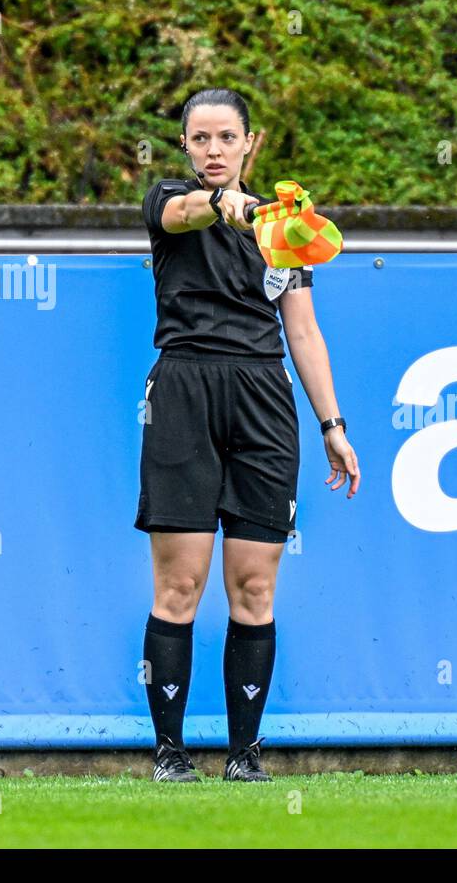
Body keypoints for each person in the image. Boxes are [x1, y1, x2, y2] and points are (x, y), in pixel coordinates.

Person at [136, 88, 359, 782]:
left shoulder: (285, 228)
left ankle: (244, 758)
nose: (212, 151)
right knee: (181, 583)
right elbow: (184, 213)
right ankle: (171, 756)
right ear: (184, 147)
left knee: (255, 587)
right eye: (199, 139)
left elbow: (303, 331)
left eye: (225, 138)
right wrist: (224, 204)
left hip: (264, 399)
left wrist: (333, 425)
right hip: (183, 392)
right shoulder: (169, 203)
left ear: (249, 143)